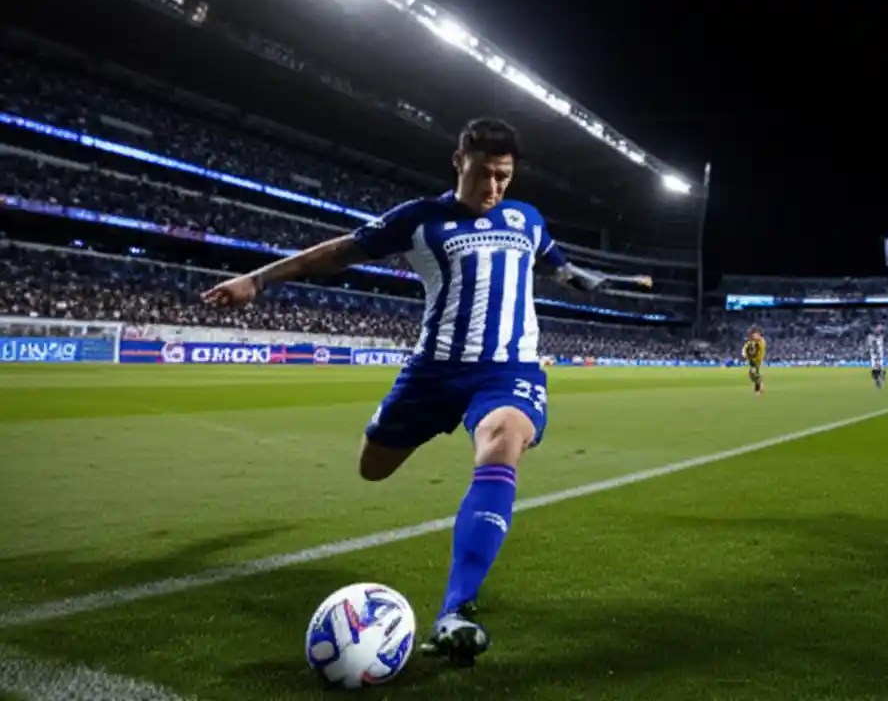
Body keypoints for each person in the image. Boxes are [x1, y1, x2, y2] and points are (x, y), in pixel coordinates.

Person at [201, 118, 651, 663]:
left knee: (503, 439)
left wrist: (600, 281)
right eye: (484, 173)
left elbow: (562, 270)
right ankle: (438, 436)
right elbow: (340, 251)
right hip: (432, 373)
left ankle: (455, 612)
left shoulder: (527, 220)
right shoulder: (418, 219)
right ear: (459, 160)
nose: (493, 189)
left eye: (503, 177)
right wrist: (260, 278)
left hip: (508, 372)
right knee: (372, 466)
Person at [741, 326, 767, 395]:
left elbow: (757, 342)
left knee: (755, 374)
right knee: (752, 375)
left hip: (755, 361)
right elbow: (745, 349)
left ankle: (757, 391)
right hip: (754, 360)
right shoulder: (752, 343)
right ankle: (760, 385)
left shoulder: (760, 342)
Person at [868, 324, 886, 390]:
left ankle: (880, 379)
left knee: (880, 369)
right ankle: (877, 380)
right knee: (876, 369)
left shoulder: (881, 337)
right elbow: (872, 346)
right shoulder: (871, 337)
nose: (879, 331)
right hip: (875, 356)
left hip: (879, 355)